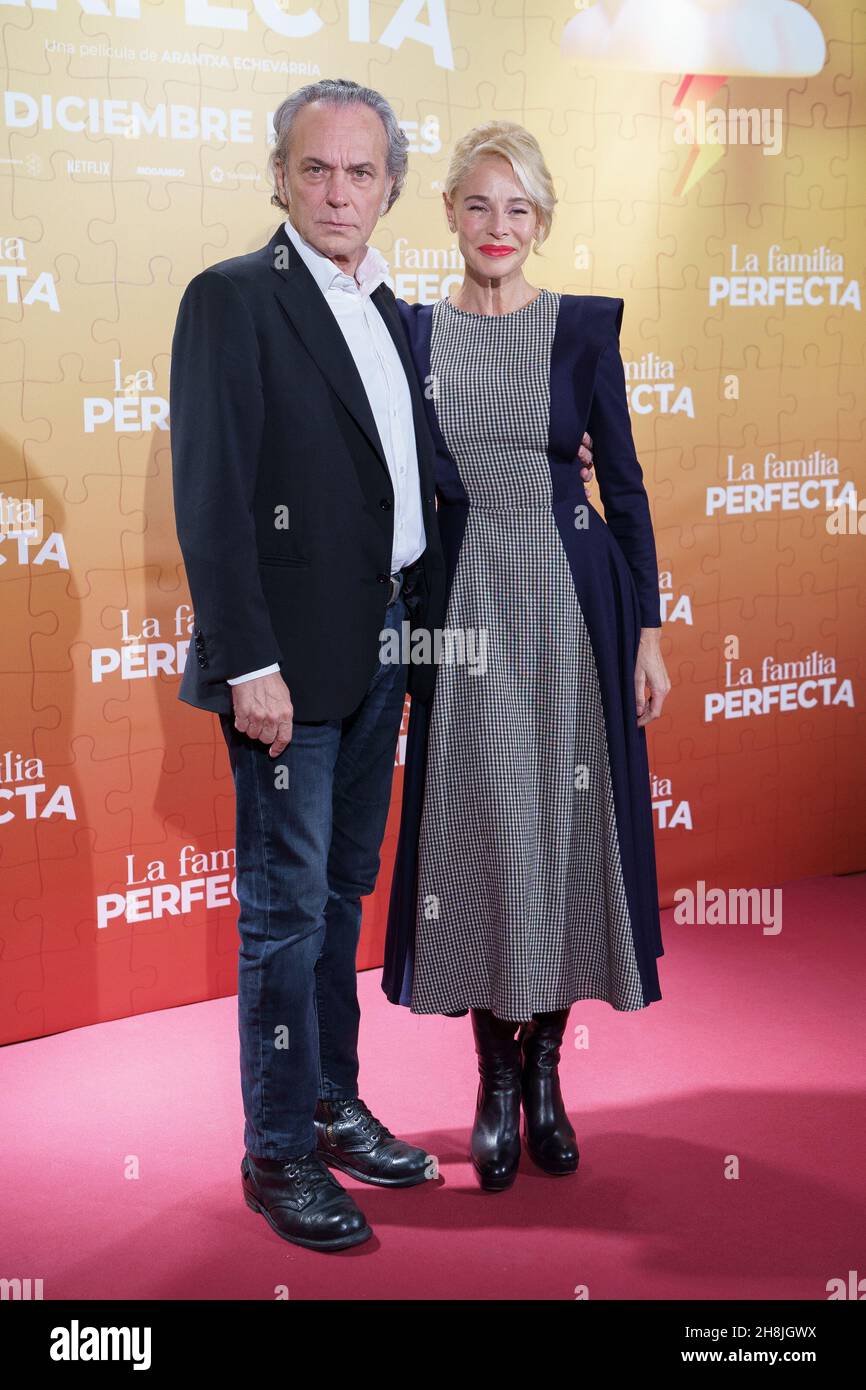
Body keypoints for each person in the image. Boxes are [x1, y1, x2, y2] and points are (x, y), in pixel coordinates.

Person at [170, 80, 598, 1247]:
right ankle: (274, 1154)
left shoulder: (391, 310)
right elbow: (211, 498)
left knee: (338, 899)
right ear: (278, 176)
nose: (338, 191)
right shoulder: (231, 300)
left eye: (361, 174)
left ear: (393, 190)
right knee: (281, 919)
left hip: (381, 659)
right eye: (316, 170)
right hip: (281, 677)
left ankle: (328, 1102)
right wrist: (245, 659)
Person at [383, 120, 671, 1192]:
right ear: (449, 213)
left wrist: (647, 628)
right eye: (477, 205)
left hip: (573, 609)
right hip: (462, 615)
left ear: (539, 222)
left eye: (518, 209)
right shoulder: (406, 335)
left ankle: (544, 1071)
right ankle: (490, 1077)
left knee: (560, 831)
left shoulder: (580, 331)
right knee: (482, 832)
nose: (497, 227)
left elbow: (627, 489)